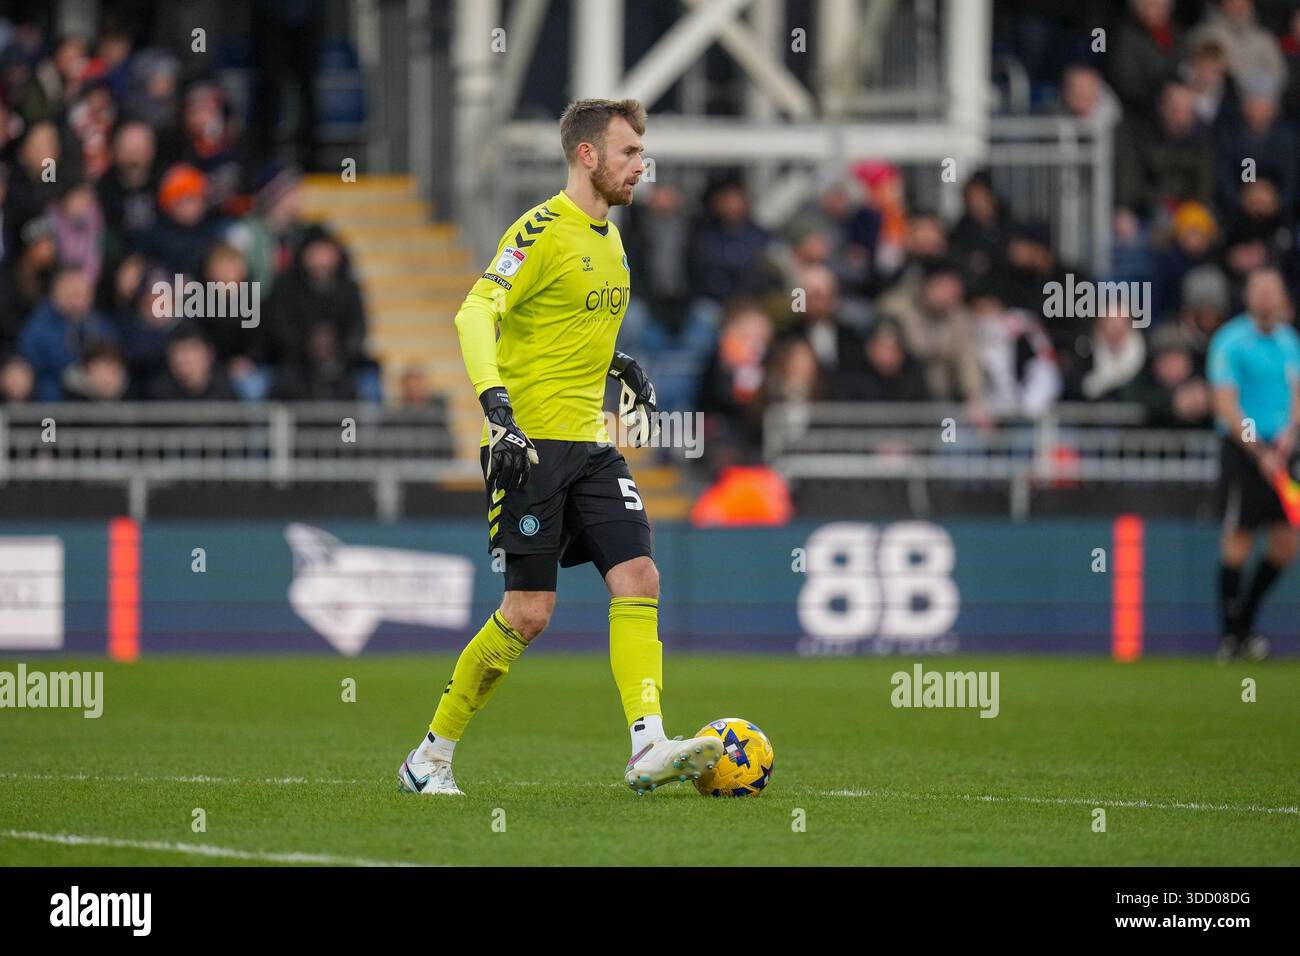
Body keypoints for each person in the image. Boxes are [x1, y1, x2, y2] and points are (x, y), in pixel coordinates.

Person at [397, 98, 725, 797]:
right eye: (630, 153)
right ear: (587, 155)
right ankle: (430, 756)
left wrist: (619, 364)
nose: (642, 165)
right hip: (530, 450)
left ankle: (647, 744)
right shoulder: (540, 229)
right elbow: (475, 312)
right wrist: (497, 410)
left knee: (639, 574)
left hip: (591, 445)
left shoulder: (611, 240)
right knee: (528, 614)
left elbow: (561, 325)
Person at [1207, 267, 1300, 661]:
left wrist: (1288, 437)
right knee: (1238, 540)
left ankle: (1245, 622)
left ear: (1282, 297)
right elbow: (1227, 403)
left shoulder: (1289, 341)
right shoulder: (1230, 341)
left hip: (1283, 452)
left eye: (1272, 290)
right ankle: (1231, 636)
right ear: (1247, 295)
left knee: (1287, 540)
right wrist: (1258, 448)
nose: (1265, 297)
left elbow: (1296, 396)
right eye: (1258, 289)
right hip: (1243, 452)